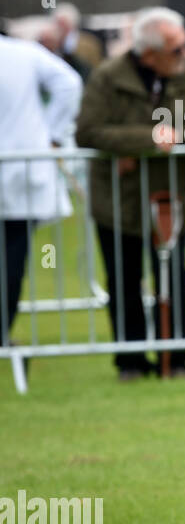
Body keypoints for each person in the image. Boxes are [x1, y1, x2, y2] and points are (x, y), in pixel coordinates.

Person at [77, 6, 185, 381]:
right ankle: (130, 361)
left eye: (184, 45)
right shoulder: (108, 76)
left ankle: (176, 361)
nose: (184, 54)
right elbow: (87, 131)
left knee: (173, 278)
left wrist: (157, 138)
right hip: (117, 200)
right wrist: (149, 139)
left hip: (172, 196)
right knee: (123, 277)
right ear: (148, 52)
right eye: (175, 48)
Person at [0, 34, 82, 346]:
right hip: (24, 168)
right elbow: (69, 84)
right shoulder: (24, 52)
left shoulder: (24, 52)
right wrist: (52, 134)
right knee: (12, 254)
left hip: (22, 169)